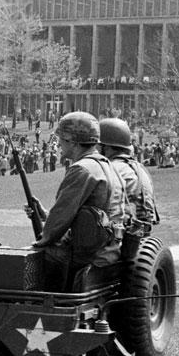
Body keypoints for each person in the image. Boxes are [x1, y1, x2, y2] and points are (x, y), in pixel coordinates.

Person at [31, 111, 126, 290]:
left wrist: (40, 242)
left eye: (61, 139)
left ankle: (46, 302)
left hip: (90, 254)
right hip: (110, 251)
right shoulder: (109, 166)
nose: (59, 144)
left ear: (72, 142)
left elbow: (59, 218)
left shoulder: (81, 169)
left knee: (29, 259)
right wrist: (44, 215)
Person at [98, 117, 158, 256]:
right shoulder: (140, 168)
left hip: (121, 237)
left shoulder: (111, 168)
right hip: (142, 234)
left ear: (105, 147)